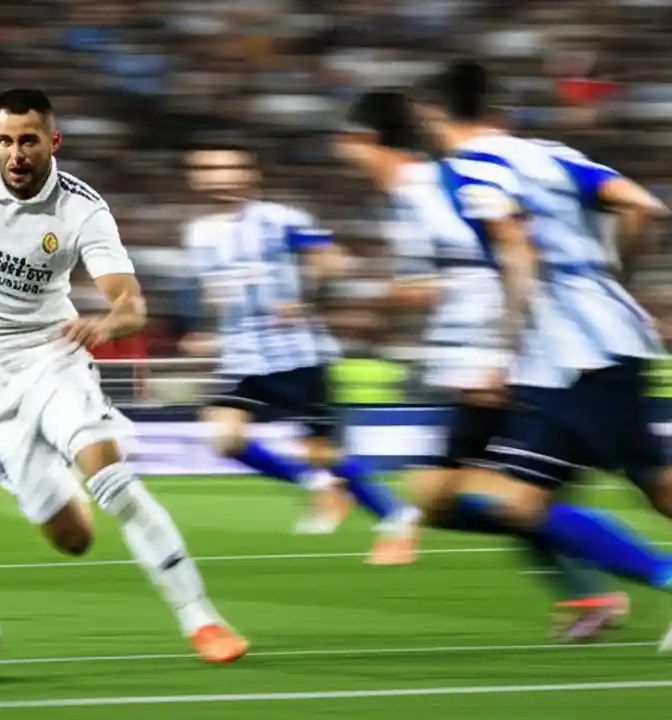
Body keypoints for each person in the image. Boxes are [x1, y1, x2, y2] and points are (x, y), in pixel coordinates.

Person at [0, 88, 247, 663]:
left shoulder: (82, 210)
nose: (15, 153)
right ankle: (58, 465)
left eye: (28, 141)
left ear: (53, 142)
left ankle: (200, 618)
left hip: (51, 355)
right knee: (73, 539)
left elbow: (131, 304)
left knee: (111, 477)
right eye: (5, 141)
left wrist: (107, 324)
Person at [335, 90, 627, 641]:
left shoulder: (428, 188)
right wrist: (410, 291)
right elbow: (461, 270)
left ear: (364, 140)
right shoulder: (411, 194)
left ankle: (627, 567)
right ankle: (590, 590)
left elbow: (503, 257)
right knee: (482, 497)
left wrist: (498, 355)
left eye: (344, 140)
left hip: (493, 366)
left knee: (460, 497)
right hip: (479, 364)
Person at [415, 60, 672, 651]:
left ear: (432, 115)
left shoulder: (466, 169)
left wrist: (502, 350)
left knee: (657, 484)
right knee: (521, 501)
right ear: (494, 107)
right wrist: (615, 280)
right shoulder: (550, 154)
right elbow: (642, 205)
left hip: (579, 353)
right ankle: (607, 592)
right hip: (583, 348)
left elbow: (516, 248)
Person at [179, 147, 419, 565]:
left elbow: (335, 262)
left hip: (295, 354)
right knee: (225, 439)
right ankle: (316, 484)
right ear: (196, 179)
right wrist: (205, 330)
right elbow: (211, 290)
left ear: (249, 175)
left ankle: (396, 515)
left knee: (323, 453)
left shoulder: (281, 219)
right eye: (208, 169)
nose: (218, 176)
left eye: (229, 168)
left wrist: (307, 300)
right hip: (242, 357)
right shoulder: (198, 233)